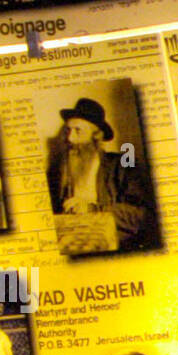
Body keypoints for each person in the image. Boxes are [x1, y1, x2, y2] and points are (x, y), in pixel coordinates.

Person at [46, 97, 159, 253]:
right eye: (68, 131)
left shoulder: (123, 164)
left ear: (96, 136)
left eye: (78, 131)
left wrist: (92, 208)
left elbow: (141, 216)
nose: (70, 138)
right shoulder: (58, 171)